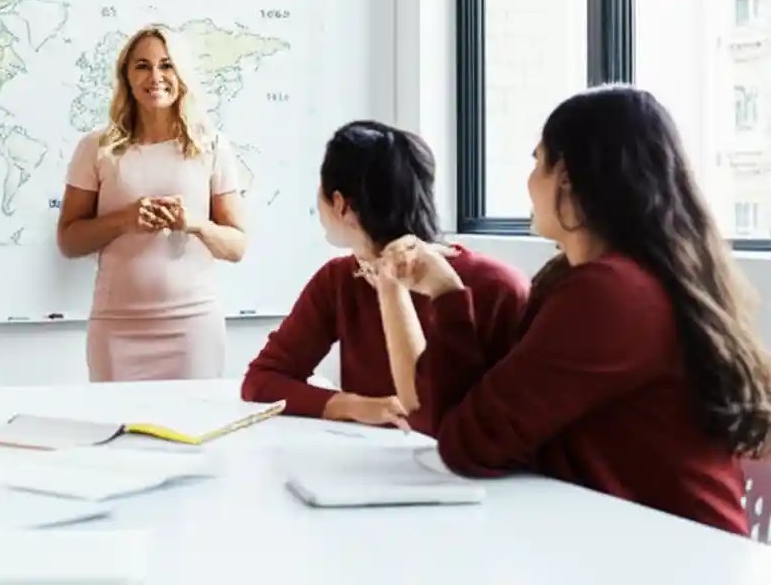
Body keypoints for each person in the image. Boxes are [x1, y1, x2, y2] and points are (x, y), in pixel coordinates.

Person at [376, 84, 771, 534]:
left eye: (535, 161)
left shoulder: (612, 293)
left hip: (677, 557)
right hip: (629, 542)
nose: (528, 181)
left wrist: (448, 295)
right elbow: (463, 428)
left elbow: (465, 445)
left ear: (564, 176)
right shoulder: (591, 280)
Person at [240, 121, 528, 434]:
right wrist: (355, 406)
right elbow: (262, 380)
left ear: (341, 204)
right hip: (376, 466)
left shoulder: (497, 288)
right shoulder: (340, 280)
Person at [57, 24, 247, 381]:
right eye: (142, 66)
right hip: (116, 326)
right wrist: (124, 220)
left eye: (167, 65)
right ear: (126, 76)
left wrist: (195, 223)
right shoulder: (95, 147)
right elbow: (68, 241)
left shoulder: (212, 145)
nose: (155, 76)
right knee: (117, 431)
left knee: (195, 432)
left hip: (193, 325)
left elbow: (236, 246)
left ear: (182, 75)